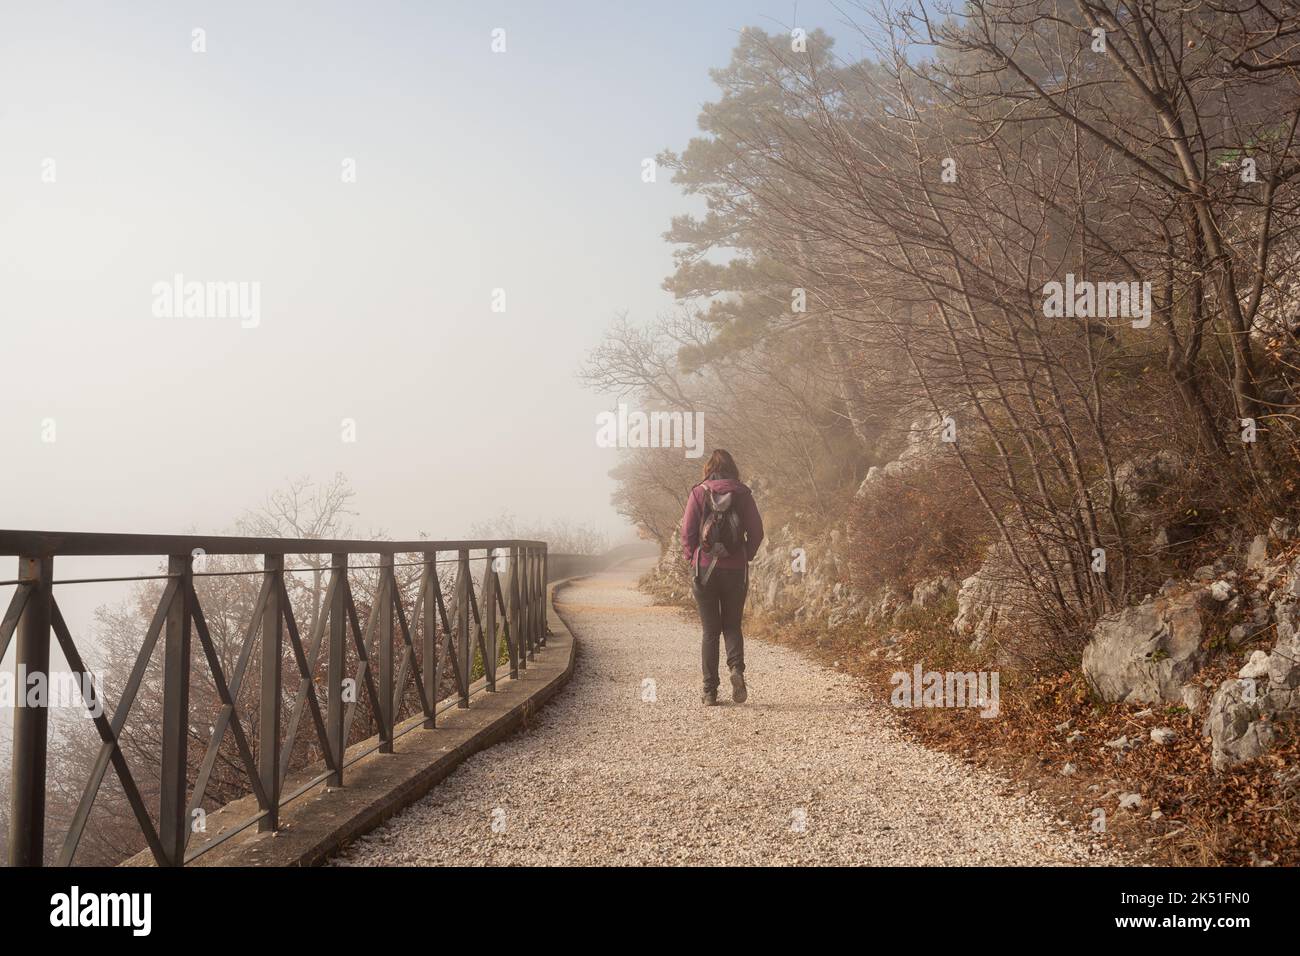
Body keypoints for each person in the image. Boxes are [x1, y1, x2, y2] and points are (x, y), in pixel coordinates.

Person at [679, 449, 764, 706]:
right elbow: (757, 532)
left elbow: (687, 533)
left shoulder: (699, 492)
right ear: (732, 468)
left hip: (705, 570)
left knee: (710, 631)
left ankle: (709, 692)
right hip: (736, 570)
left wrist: (692, 558)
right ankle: (736, 670)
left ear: (709, 468)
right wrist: (744, 554)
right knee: (732, 625)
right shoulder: (743, 494)